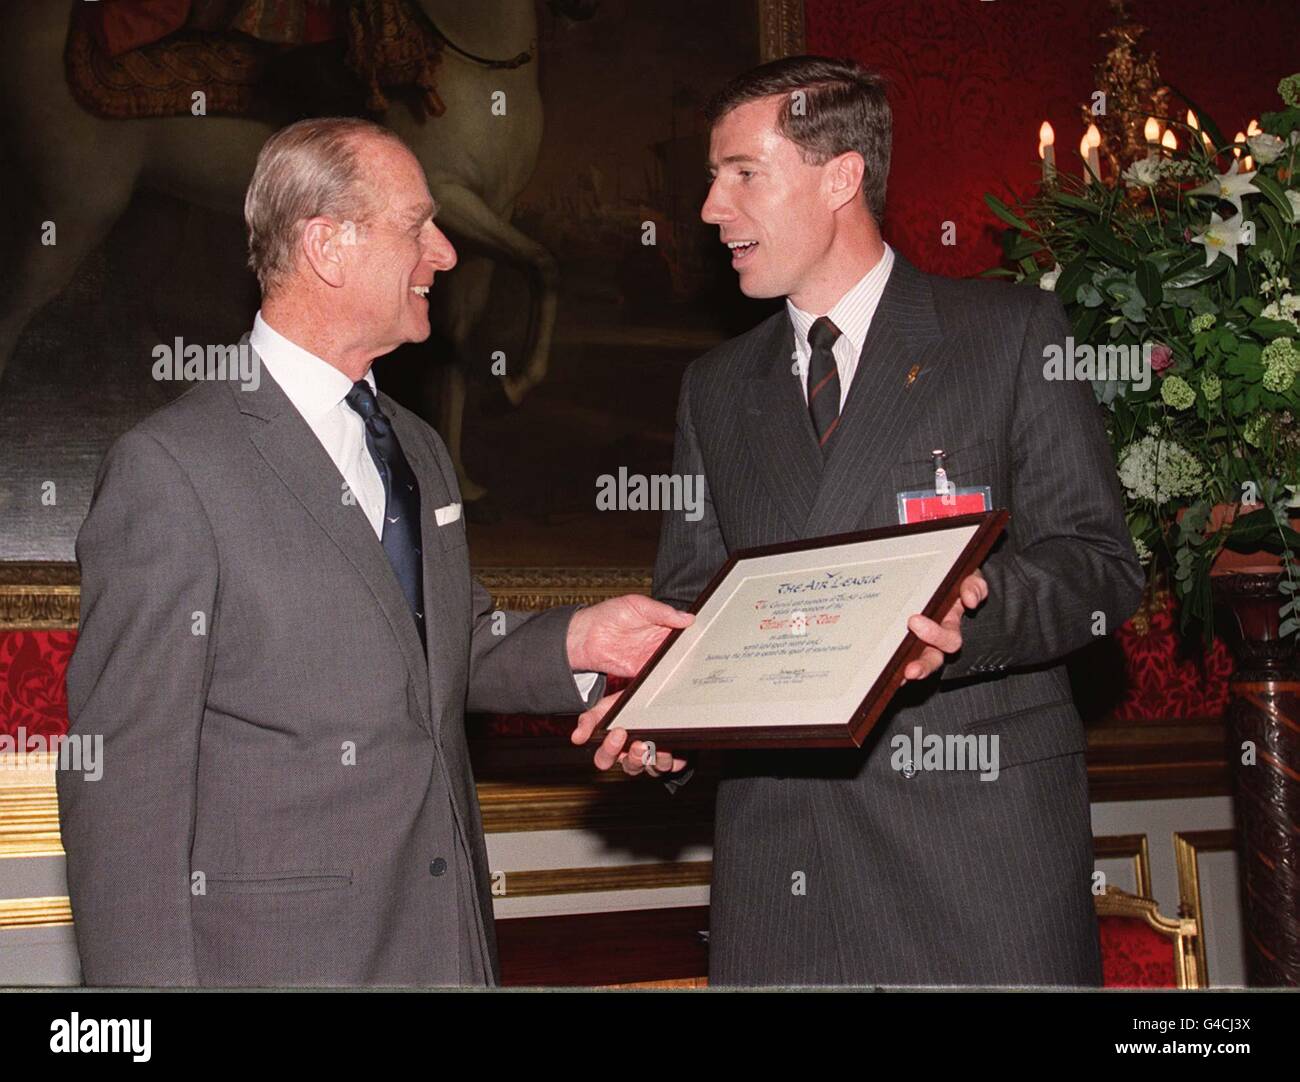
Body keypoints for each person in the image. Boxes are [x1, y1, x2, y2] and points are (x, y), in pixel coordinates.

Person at [58, 116, 691, 988]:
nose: (446, 252)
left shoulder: (421, 449)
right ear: (327, 246)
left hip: (444, 945)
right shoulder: (172, 470)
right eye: (418, 226)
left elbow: (435, 650)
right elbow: (122, 792)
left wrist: (584, 640)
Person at [576, 56, 1143, 986]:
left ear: (841, 175)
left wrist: (971, 618)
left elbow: (1099, 567)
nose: (713, 209)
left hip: (978, 869)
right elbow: (695, 608)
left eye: (742, 174)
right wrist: (661, 721)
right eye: (712, 181)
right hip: (781, 877)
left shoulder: (1009, 337)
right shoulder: (715, 388)